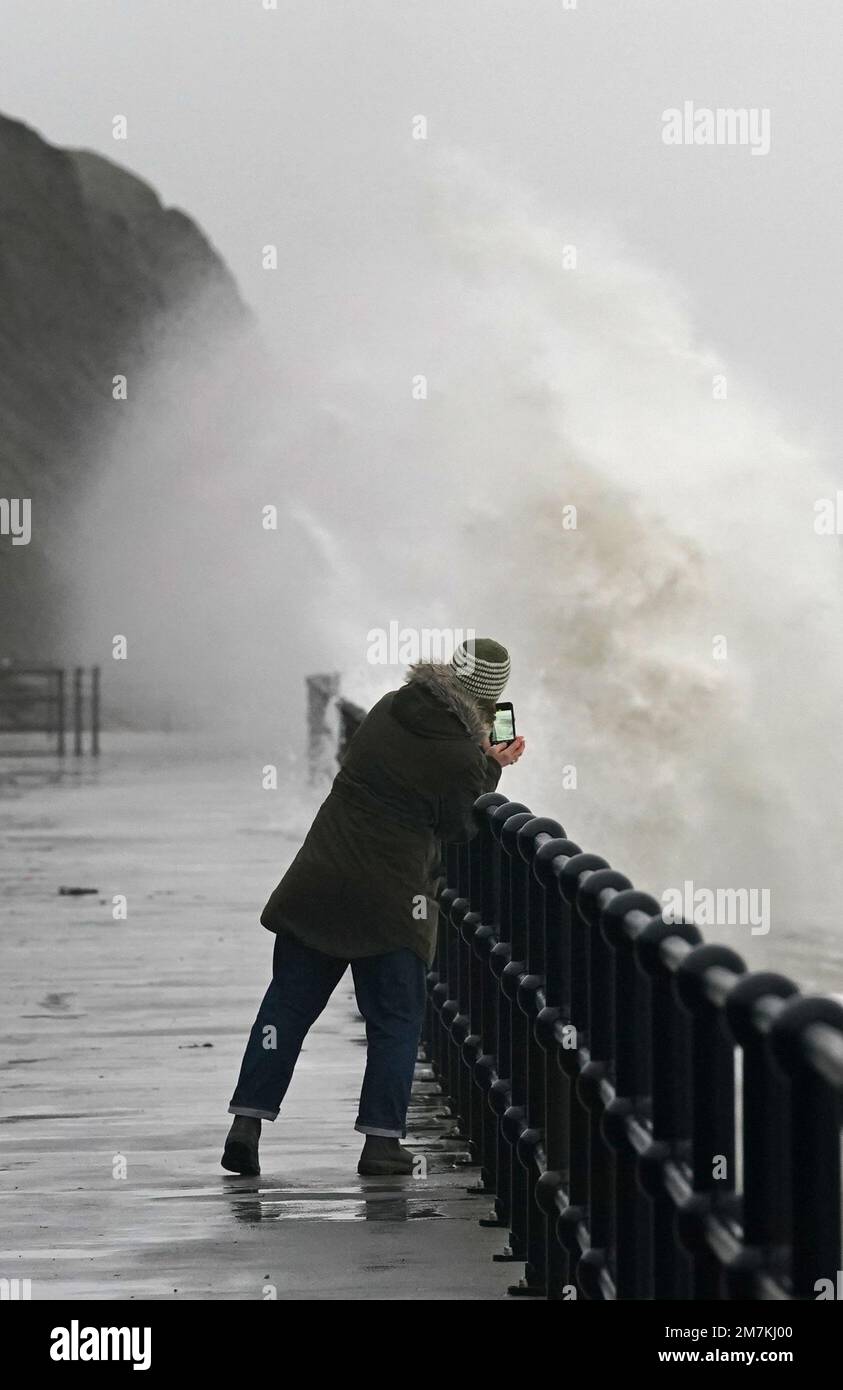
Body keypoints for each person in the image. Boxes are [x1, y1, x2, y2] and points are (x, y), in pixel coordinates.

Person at [222, 637, 525, 1177]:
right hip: (391, 898)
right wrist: (492, 766)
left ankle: (246, 1124)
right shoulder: (460, 756)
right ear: (488, 699)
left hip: (320, 874)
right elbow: (460, 827)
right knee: (396, 1017)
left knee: (286, 1008)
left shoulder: (388, 707)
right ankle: (381, 1143)